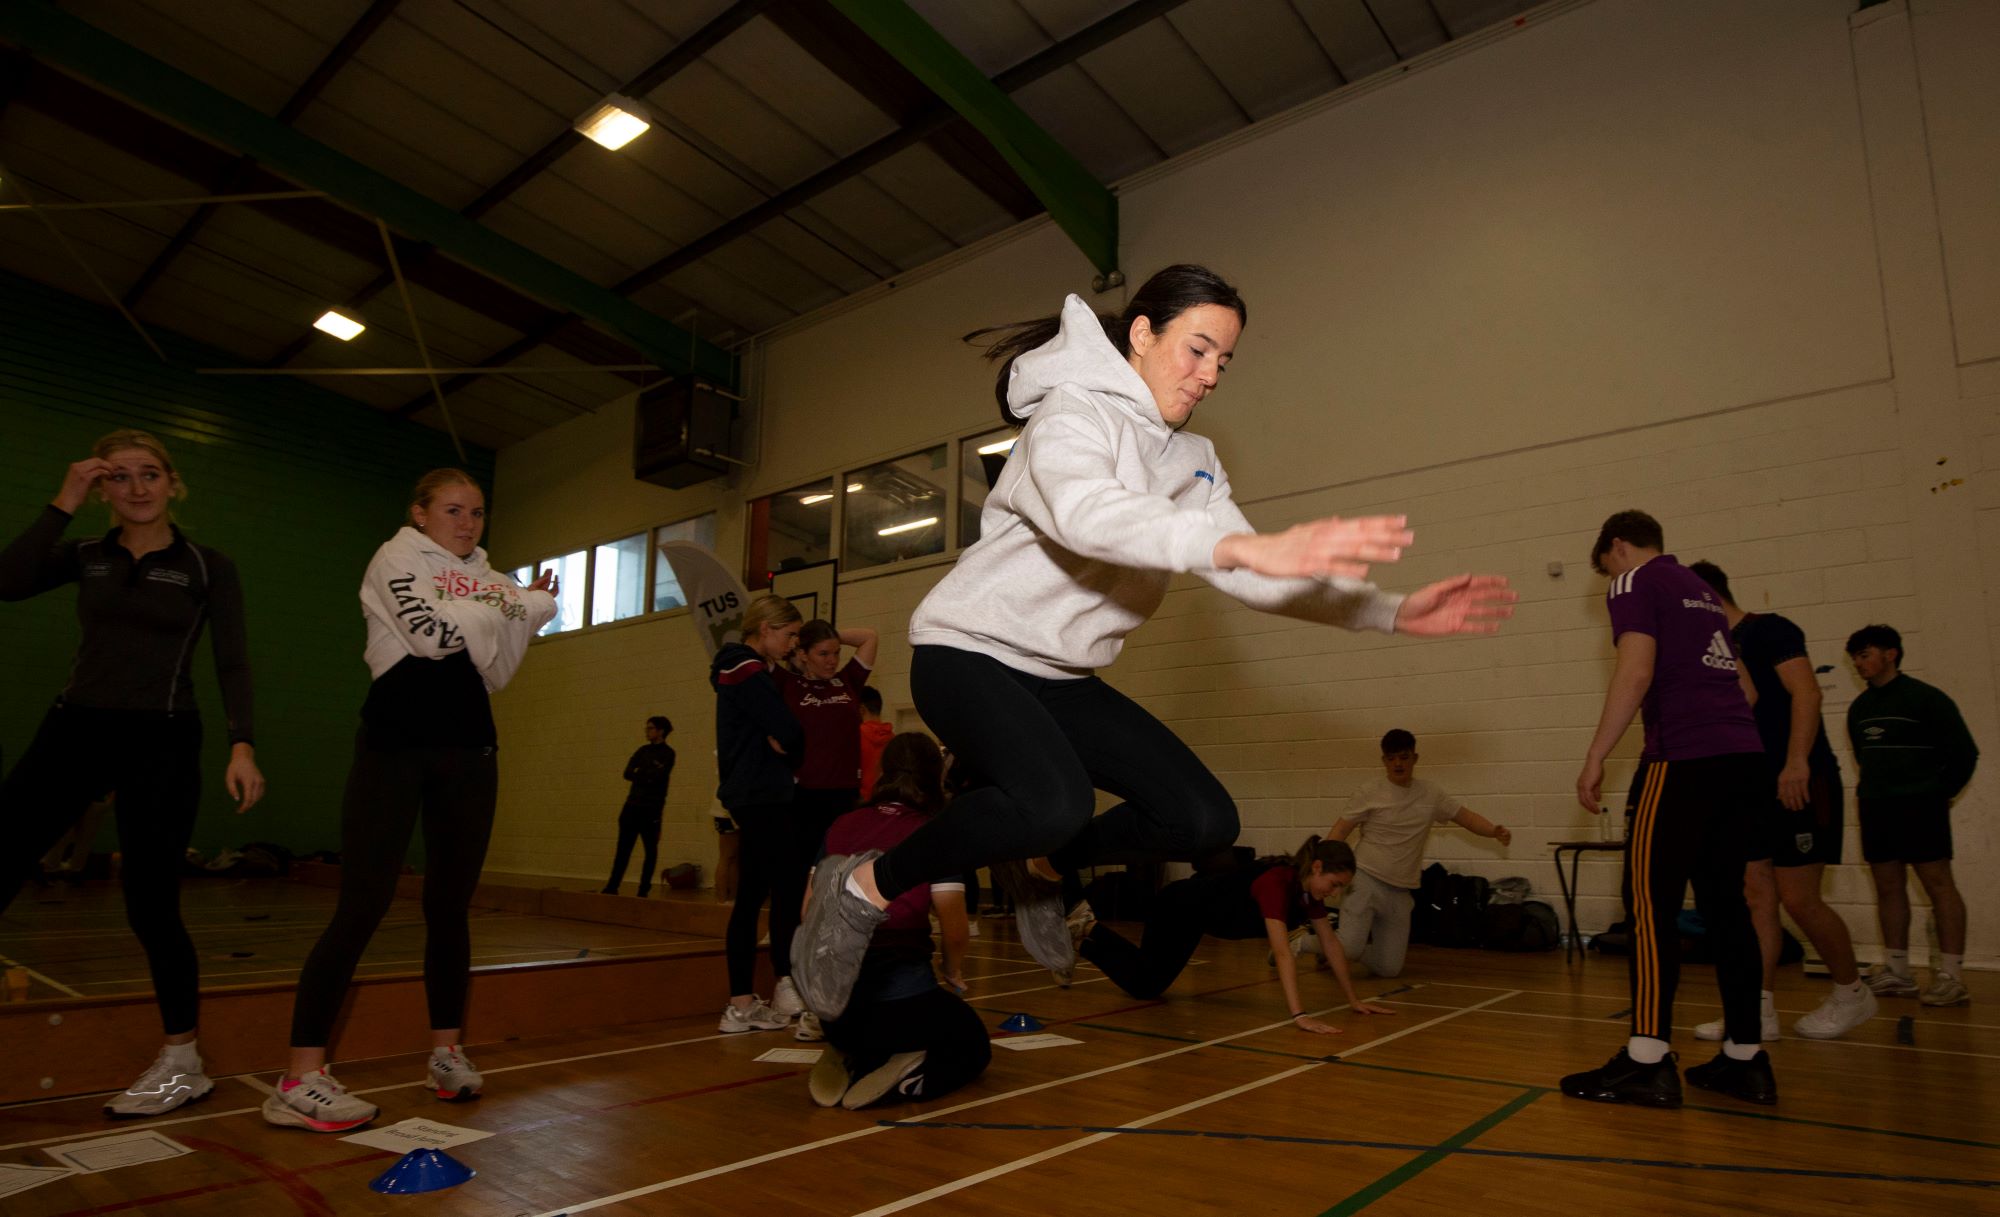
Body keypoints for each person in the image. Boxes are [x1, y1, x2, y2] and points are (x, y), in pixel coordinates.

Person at [791, 265, 1515, 1021]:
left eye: (1224, 361)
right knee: (1056, 800)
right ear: (1142, 334)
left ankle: (1042, 869)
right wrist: (1231, 545)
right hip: (967, 652)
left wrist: (1390, 610)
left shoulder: (1194, 458)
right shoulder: (1073, 414)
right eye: (1197, 350)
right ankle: (861, 888)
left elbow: (1255, 575)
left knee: (1203, 819)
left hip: (1063, 677)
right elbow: (1087, 513)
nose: (1210, 376)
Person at [263, 469, 555, 1133]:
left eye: (477, 512)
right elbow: (429, 635)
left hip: (472, 749)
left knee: (449, 907)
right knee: (361, 905)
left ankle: (445, 1054)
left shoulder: (488, 577)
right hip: (394, 745)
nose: (467, 523)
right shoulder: (395, 558)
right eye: (453, 510)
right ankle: (300, 1077)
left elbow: (505, 655)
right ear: (420, 513)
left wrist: (511, 607)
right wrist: (508, 608)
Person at [0, 431, 265, 1118]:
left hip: (163, 736)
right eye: (118, 477)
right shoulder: (86, 554)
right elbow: (8, 581)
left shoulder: (208, 565)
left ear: (173, 483)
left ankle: (182, 1063)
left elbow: (233, 658)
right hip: (77, 727)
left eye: (150, 474)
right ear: (101, 488)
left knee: (151, 904)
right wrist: (62, 502)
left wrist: (242, 744)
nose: (137, 488)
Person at [1564, 510, 1772, 1110]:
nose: (1611, 579)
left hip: (1682, 759)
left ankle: (1647, 1060)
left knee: (1649, 906)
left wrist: (1597, 755)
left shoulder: (1636, 580)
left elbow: (1636, 671)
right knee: (1726, 908)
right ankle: (1745, 1059)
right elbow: (1748, 689)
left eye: (1607, 568)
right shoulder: (1702, 590)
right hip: (1741, 758)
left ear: (1618, 547)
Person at [1684, 563, 1874, 1039]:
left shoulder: (1769, 629)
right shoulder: (1715, 648)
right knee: (1756, 896)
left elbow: (1806, 694)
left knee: (1800, 898)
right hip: (1752, 787)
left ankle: (1852, 993)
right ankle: (1757, 1009)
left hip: (1800, 780)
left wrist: (1795, 762)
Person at [808, 732, 991, 1109]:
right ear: (935, 777)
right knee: (972, 1044)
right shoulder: (935, 833)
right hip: (900, 1006)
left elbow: (808, 912)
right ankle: (906, 1078)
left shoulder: (841, 825)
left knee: (868, 1019)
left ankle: (848, 1050)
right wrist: (952, 968)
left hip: (833, 1008)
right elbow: (955, 929)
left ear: (883, 772)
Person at [1079, 836, 1392, 1032]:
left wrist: (1354, 1000)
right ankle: (1088, 930)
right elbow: (1282, 953)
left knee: (1148, 983)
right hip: (1177, 908)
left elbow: (1331, 943)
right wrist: (1299, 1015)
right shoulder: (1276, 883)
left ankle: (1085, 934)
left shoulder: (1308, 894)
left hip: (1196, 920)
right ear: (1317, 867)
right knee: (1144, 985)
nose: (1335, 893)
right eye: (1335, 884)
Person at [1845, 624, 1978, 1007]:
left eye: (1865, 654)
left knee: (1939, 885)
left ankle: (1951, 976)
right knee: (1888, 886)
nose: (1858, 663)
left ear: (1891, 654)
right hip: (1876, 807)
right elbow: (1864, 757)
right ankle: (1898, 971)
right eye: (1854, 657)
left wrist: (1936, 793)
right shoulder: (1860, 708)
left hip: (1921, 806)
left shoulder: (1927, 699)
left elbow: (1964, 753)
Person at [1325, 729, 1510, 979]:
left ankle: (1331, 951)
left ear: (1415, 758)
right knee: (1349, 948)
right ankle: (1305, 943)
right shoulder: (1369, 791)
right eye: (1391, 758)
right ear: (1384, 761)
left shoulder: (1431, 794)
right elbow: (1341, 830)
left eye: (1404, 757)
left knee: (1389, 968)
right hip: (1365, 880)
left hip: (1401, 890)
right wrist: (1323, 866)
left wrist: (1493, 831)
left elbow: (1466, 817)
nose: (1398, 764)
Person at [711, 593, 808, 1033]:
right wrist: (789, 744)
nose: (793, 644)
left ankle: (741, 1003)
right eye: (790, 634)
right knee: (787, 884)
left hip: (754, 792)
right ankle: (785, 980)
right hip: (759, 793)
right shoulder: (746, 669)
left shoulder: (751, 671)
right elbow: (791, 731)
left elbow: (783, 733)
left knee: (752, 894)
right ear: (765, 629)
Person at [775, 620, 879, 847]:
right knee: (806, 859)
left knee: (841, 859)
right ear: (803, 654)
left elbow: (869, 637)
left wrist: (830, 635)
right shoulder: (788, 684)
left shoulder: (847, 681)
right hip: (806, 795)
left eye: (836, 652)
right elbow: (759, 654)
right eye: (823, 654)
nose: (832, 660)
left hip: (846, 792)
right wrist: (799, 638)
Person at [602, 716, 675, 898]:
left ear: (661, 731)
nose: (647, 731)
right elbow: (627, 773)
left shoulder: (668, 754)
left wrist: (641, 773)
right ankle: (612, 886)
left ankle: (643, 890)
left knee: (650, 851)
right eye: (647, 728)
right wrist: (646, 774)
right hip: (631, 807)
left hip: (651, 810)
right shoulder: (642, 750)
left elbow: (657, 777)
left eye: (650, 728)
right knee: (623, 850)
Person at [857, 686, 893, 802]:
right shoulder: (894, 740)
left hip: (859, 801)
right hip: (884, 801)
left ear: (861, 709)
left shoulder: (855, 736)